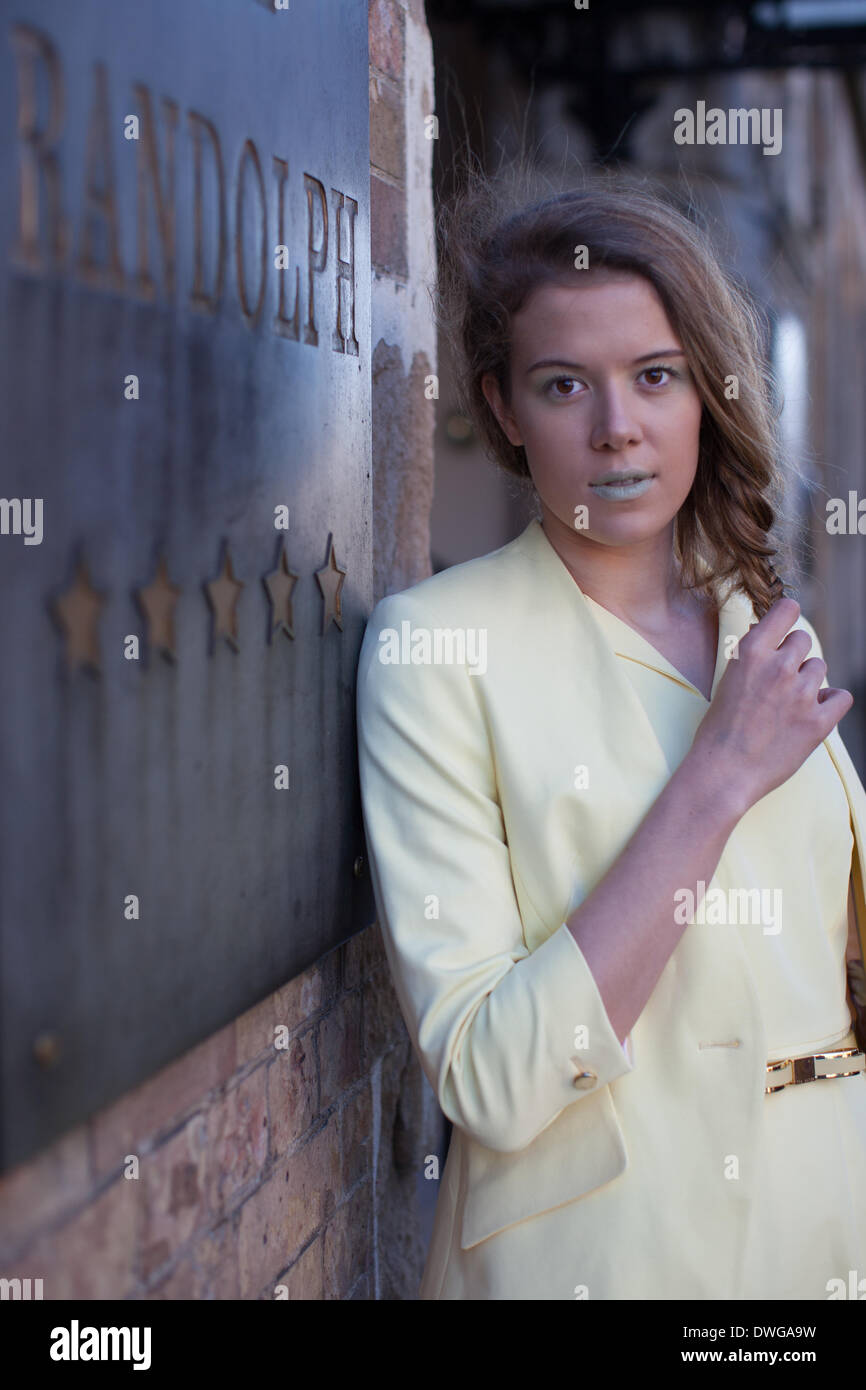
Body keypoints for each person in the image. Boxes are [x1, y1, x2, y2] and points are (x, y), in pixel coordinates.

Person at [355, 164, 866, 1300]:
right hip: (601, 1264)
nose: (616, 428)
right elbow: (488, 1073)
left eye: (652, 375)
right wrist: (715, 779)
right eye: (560, 384)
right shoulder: (434, 653)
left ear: (705, 390)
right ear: (499, 408)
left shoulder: (758, 618)